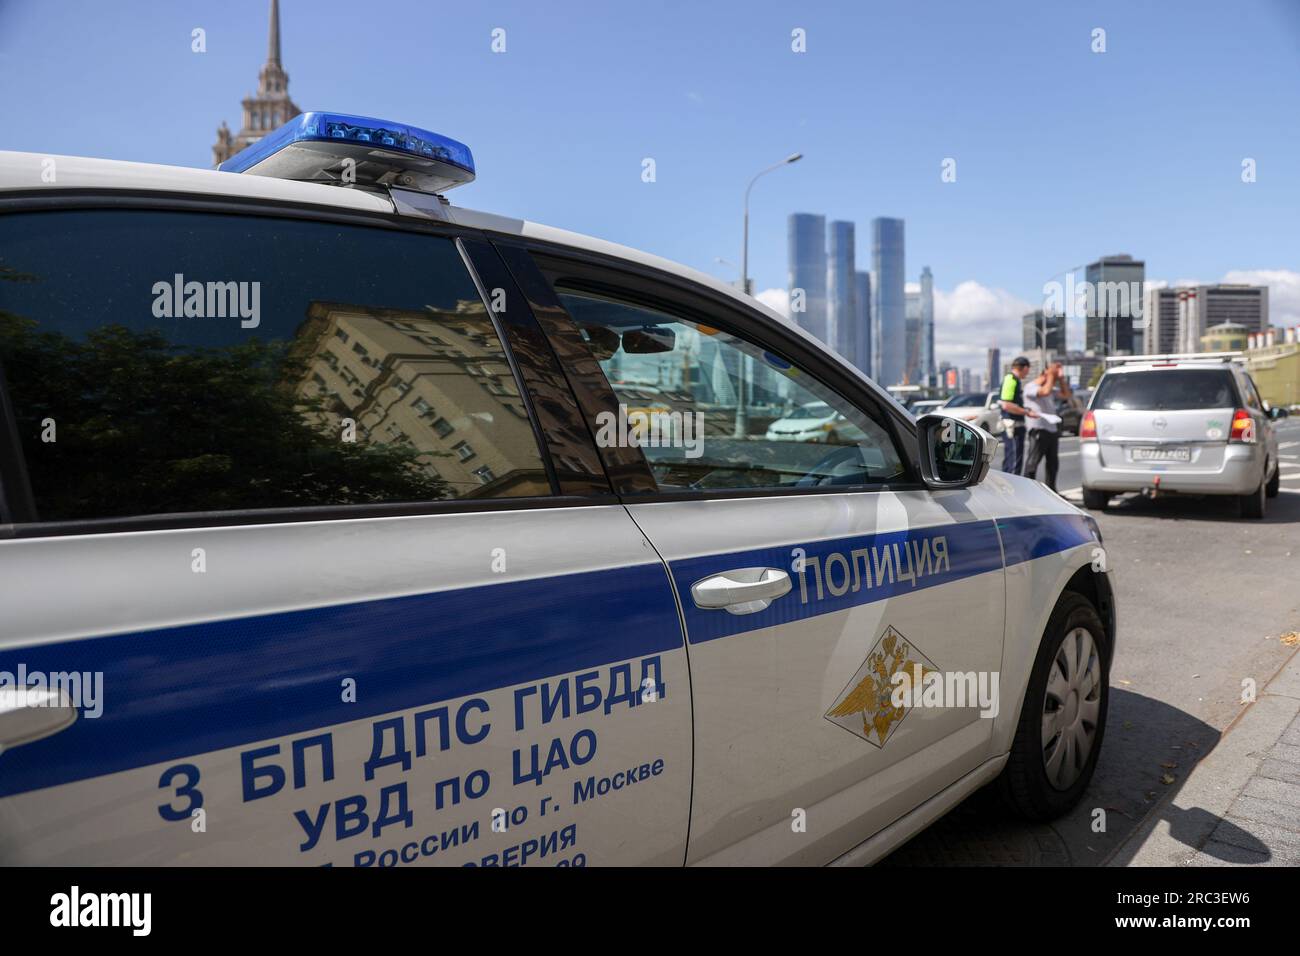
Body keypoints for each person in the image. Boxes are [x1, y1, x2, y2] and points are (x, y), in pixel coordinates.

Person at [1022, 361, 1071, 491]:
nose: (1053, 380)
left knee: (1053, 464)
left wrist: (1060, 378)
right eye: (1052, 376)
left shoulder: (1051, 387)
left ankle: (1052, 491)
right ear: (1044, 373)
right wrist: (1050, 374)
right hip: (1038, 429)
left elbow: (1066, 395)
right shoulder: (1030, 387)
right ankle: (1027, 491)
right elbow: (1044, 391)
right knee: (1033, 462)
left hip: (1051, 429)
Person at [998, 356, 1037, 473]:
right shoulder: (1011, 379)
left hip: (1014, 426)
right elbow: (1006, 404)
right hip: (1012, 426)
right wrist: (1026, 412)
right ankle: (1012, 490)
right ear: (1024, 368)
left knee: (1012, 458)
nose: (1028, 372)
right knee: (1014, 461)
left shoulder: (1015, 380)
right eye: (1028, 369)